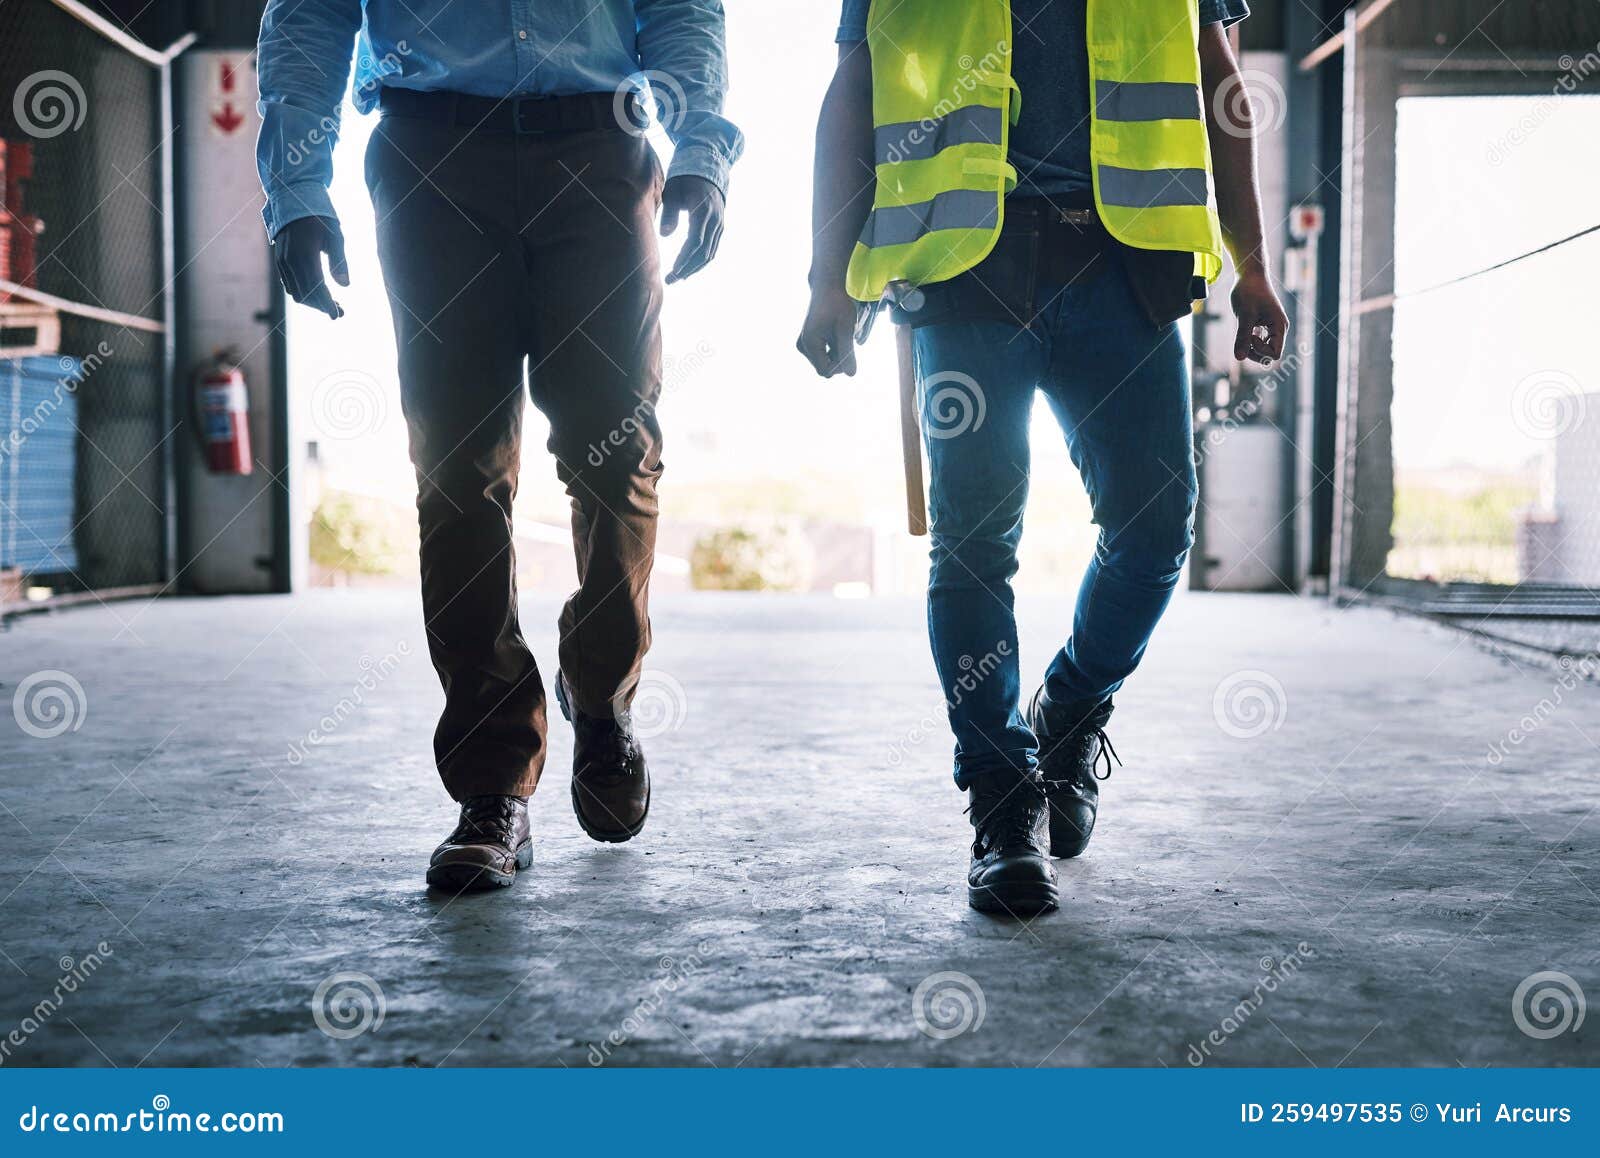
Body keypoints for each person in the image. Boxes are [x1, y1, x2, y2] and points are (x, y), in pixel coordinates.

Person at [799, 0, 1287, 915]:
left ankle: (1068, 708)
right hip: (964, 271)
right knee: (973, 545)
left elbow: (1220, 77)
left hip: (1123, 268)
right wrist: (829, 276)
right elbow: (854, 88)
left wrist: (1250, 260)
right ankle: (1001, 801)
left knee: (1155, 530)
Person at [256, 1, 743, 891]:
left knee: (617, 448)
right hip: (429, 154)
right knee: (457, 471)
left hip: (600, 148)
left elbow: (679, 8)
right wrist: (295, 190)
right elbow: (310, 16)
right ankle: (492, 787)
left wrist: (703, 148)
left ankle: (600, 694)